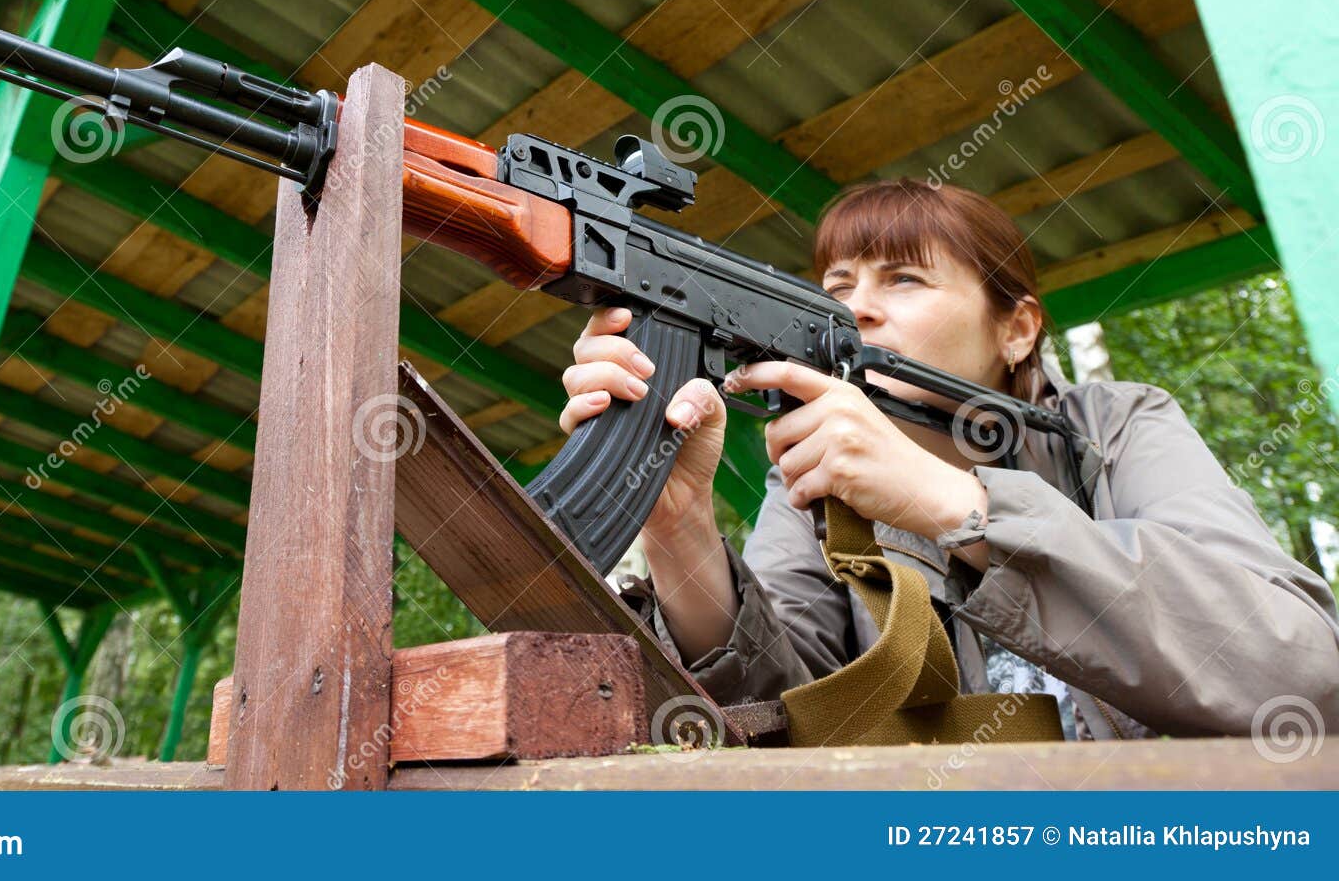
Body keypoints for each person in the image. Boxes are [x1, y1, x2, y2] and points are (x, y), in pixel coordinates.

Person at [559, 177, 1339, 740]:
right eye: (838, 283)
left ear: (1017, 329)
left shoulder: (1118, 426)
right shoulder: (809, 477)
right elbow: (777, 723)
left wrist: (961, 507)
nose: (854, 307)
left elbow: (1296, 669)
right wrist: (679, 527)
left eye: (904, 278)